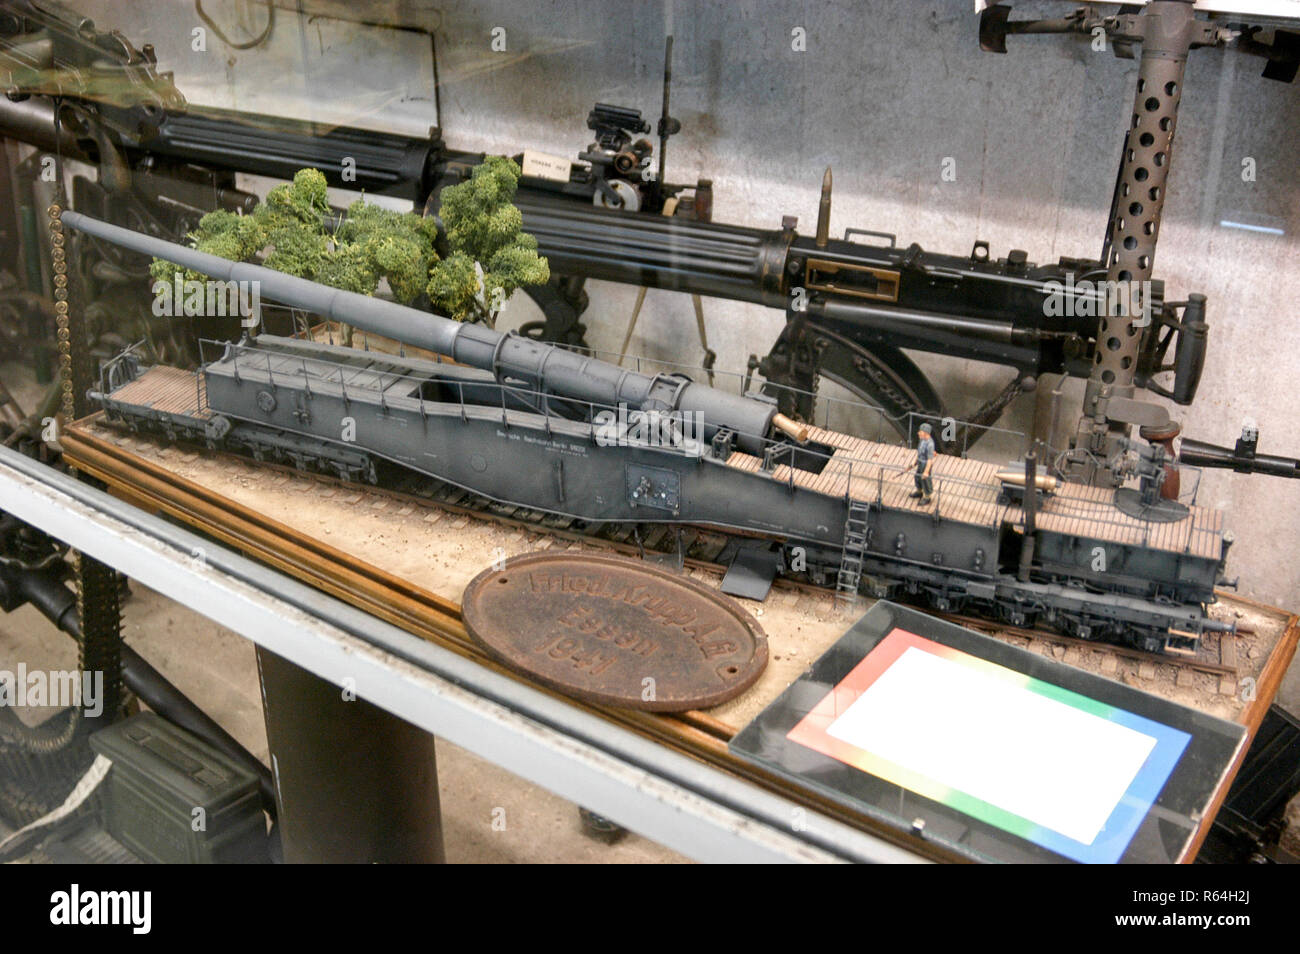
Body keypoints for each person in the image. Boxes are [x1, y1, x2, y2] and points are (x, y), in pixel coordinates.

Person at [910, 422, 936, 505]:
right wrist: (914, 462)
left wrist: (926, 471)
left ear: (925, 433)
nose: (918, 433)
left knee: (925, 480)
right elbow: (919, 453)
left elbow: (930, 459)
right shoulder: (922, 440)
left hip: (925, 464)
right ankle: (919, 491)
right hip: (920, 461)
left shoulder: (930, 444)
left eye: (920, 432)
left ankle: (927, 496)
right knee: (917, 476)